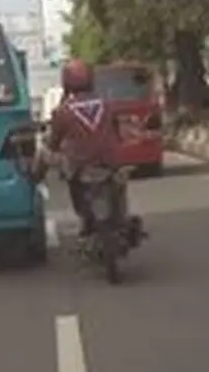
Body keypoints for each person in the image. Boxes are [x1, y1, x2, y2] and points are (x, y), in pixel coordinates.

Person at [39, 58, 136, 238]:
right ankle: (121, 218)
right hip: (109, 162)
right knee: (120, 182)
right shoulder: (107, 105)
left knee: (70, 178)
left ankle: (85, 218)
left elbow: (53, 144)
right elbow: (119, 132)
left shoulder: (63, 112)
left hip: (80, 166)